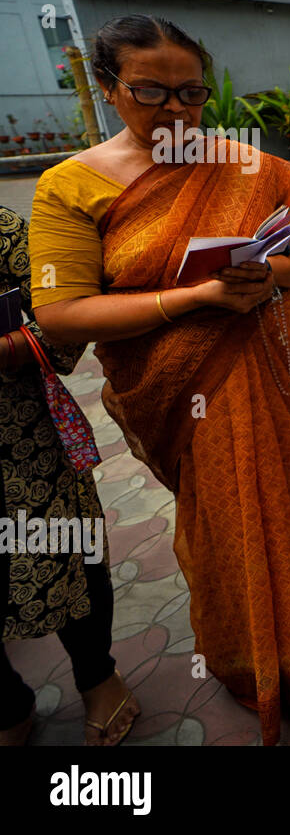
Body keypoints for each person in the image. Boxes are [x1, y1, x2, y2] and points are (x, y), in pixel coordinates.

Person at [29, 14, 290, 745]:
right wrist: (194, 298)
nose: (178, 112)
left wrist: (261, 274)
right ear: (108, 88)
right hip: (177, 388)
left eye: (192, 92)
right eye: (151, 92)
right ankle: (256, 658)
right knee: (228, 522)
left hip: (262, 372)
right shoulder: (69, 186)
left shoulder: (249, 166)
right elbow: (60, 314)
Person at [1, 206, 139, 746]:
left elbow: (61, 314)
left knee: (66, 555)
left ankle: (99, 679)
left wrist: (11, 345)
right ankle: (8, 702)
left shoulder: (7, 231)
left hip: (21, 439)